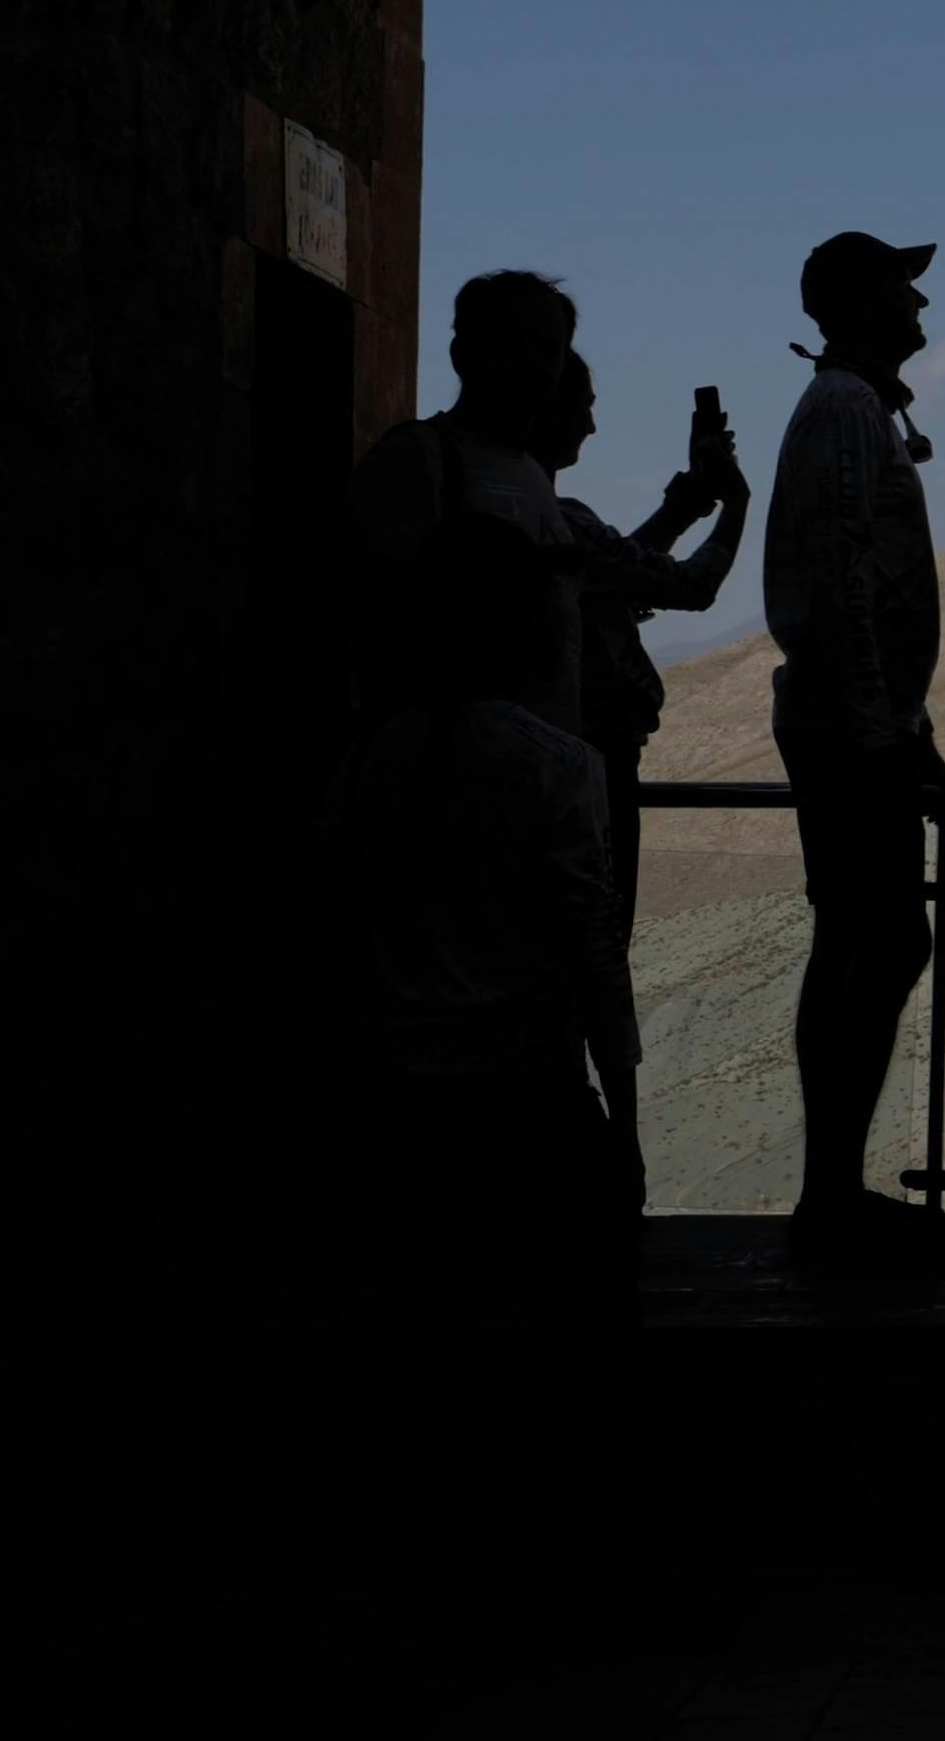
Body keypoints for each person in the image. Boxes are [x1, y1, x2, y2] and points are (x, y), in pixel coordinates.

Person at [333, 511, 633, 1326]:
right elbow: (592, 955)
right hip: (522, 1114)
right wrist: (626, 1134)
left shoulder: (371, 756)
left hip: (393, 1118)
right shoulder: (559, 765)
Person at [763, 231, 945, 1272]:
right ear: (854, 301)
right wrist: (887, 728)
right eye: (900, 283)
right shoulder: (845, 410)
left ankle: (828, 1186)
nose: (920, 303)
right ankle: (832, 1191)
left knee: (855, 940)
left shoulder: (847, 406)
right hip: (848, 727)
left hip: (851, 721)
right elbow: (845, 576)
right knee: (883, 942)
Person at [531, 350, 751, 1211]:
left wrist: (677, 505)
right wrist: (732, 504)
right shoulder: (559, 518)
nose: (592, 422)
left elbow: (611, 574)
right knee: (594, 956)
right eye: (581, 404)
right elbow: (690, 586)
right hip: (593, 763)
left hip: (568, 757)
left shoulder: (534, 517)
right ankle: (604, 1158)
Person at [345, 269, 586, 729]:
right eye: (511, 343)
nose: (532, 364)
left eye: (547, 348)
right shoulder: (417, 459)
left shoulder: (531, 472)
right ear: (462, 356)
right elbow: (377, 620)